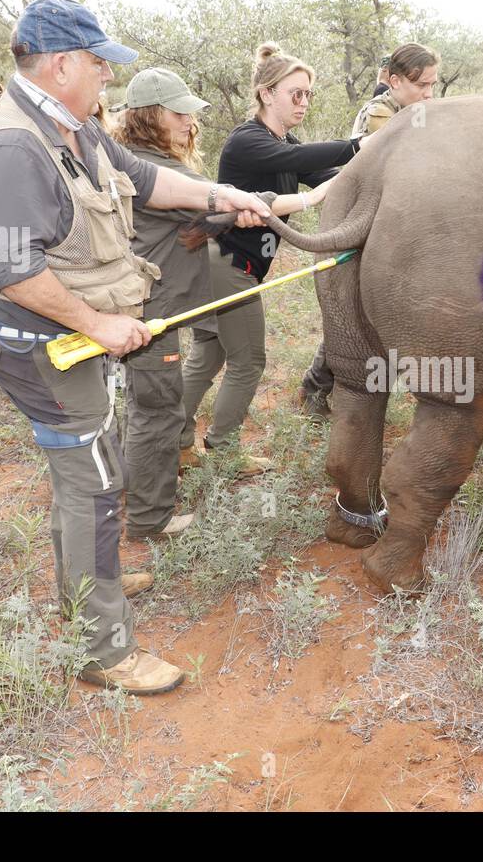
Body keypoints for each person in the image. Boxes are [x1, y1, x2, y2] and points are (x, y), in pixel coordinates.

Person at [0, 0, 272, 695]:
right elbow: (12, 270)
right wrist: (98, 323)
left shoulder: (71, 127)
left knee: (79, 469)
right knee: (94, 479)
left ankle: (84, 590)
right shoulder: (9, 146)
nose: (105, 80)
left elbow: (148, 180)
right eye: (97, 64)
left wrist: (226, 193)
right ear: (61, 65)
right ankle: (104, 648)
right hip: (39, 345)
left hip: (64, 338)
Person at [111, 67, 331, 537]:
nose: (191, 122)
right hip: (153, 300)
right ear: (150, 116)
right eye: (179, 113)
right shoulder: (151, 166)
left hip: (165, 294)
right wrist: (308, 201)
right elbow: (224, 204)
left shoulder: (142, 157)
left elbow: (215, 210)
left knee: (170, 388)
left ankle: (172, 455)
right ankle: (150, 516)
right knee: (156, 406)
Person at [178, 42, 359, 471]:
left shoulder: (283, 141)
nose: (304, 102)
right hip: (227, 265)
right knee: (249, 360)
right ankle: (223, 451)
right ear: (266, 94)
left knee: (209, 354)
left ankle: (173, 440)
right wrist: (360, 145)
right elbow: (298, 160)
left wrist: (372, 164)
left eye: (309, 94)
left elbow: (322, 173)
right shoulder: (248, 140)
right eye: (295, 92)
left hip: (227, 264)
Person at [297, 42, 441, 419]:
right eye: (420, 85)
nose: (428, 94)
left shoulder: (410, 111)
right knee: (352, 313)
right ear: (394, 81)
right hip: (364, 222)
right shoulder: (383, 115)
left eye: (432, 85)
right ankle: (315, 385)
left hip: (387, 222)